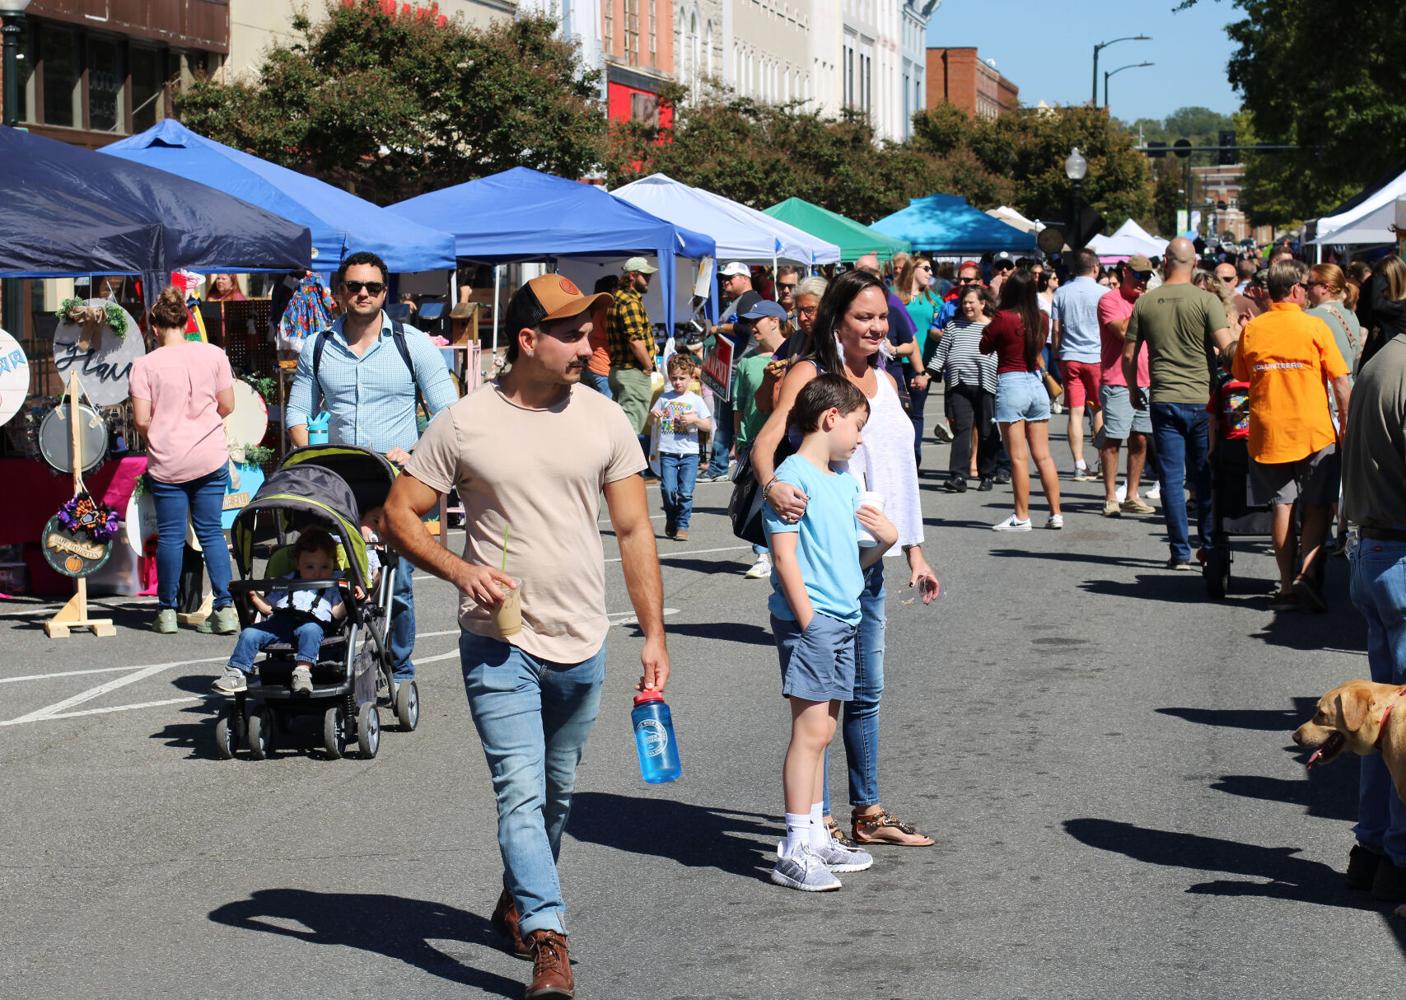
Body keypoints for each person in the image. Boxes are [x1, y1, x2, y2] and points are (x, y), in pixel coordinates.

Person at [382, 273, 668, 1000]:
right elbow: (401, 512)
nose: (587, 345)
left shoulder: (605, 418)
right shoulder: (463, 424)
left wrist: (654, 634)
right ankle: (550, 941)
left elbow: (635, 530)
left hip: (583, 638)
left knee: (556, 796)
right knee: (519, 791)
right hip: (499, 640)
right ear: (528, 340)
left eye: (589, 332)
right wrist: (459, 569)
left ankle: (517, 898)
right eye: (571, 334)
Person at [752, 269, 940, 848]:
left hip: (871, 558)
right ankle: (819, 820)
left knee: (865, 689)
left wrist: (915, 551)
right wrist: (773, 488)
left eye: (882, 316)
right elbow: (766, 443)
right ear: (837, 319)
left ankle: (868, 811)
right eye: (864, 317)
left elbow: (899, 471)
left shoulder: (885, 377)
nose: (877, 327)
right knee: (822, 699)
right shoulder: (813, 373)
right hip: (822, 558)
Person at [285, 250, 457, 684]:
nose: (363, 293)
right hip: (338, 483)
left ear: (384, 292)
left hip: (395, 482)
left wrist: (417, 455)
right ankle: (333, 659)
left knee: (397, 584)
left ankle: (399, 668)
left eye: (373, 287)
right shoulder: (318, 346)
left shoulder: (411, 343)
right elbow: (297, 413)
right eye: (355, 286)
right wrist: (310, 455)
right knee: (336, 573)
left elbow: (448, 412)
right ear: (340, 291)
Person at [765, 374, 893, 891]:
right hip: (815, 622)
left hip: (843, 618)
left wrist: (884, 543)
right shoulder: (792, 477)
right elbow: (784, 557)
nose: (860, 439)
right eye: (857, 427)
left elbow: (847, 563)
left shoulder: (843, 480)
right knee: (810, 733)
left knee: (822, 732)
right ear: (830, 418)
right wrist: (809, 620)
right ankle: (795, 847)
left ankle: (816, 834)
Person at [1232, 259, 1351, 611]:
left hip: (1269, 431)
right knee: (1317, 506)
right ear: (1297, 289)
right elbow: (1340, 382)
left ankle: (1286, 587)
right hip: (1313, 430)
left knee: (1282, 506)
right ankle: (1306, 574)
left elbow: (1241, 374)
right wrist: (1346, 426)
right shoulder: (1314, 326)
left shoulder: (1254, 329)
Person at [1340, 310, 1406, 904]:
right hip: (1397, 553)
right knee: (1396, 724)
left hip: (1375, 548)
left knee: (1378, 720)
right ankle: (1396, 858)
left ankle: (1373, 849)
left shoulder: (1381, 362)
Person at [1122, 237, 1236, 570]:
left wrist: (1133, 388)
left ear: (1165, 261)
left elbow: (1129, 356)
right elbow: (1228, 348)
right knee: (1204, 475)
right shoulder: (1206, 300)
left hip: (1163, 397)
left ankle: (1179, 553)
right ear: (1194, 262)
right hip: (1203, 400)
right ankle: (1209, 547)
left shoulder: (1146, 302)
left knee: (1171, 478)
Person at [129, 287, 237, 635]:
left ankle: (166, 611)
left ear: (155, 327)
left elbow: (141, 419)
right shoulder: (214, 354)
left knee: (171, 536)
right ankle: (225, 609)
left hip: (168, 459)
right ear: (187, 322)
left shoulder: (144, 365)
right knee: (211, 532)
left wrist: (165, 428)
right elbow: (228, 404)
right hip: (208, 455)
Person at [212, 529, 346, 696]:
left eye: (325, 566)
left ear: (333, 563)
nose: (317, 573)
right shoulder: (287, 581)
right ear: (298, 564)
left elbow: (336, 613)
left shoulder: (334, 584)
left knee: (311, 631)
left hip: (313, 622)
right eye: (310, 566)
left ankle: (302, 671)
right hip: (280, 621)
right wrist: (254, 595)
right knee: (249, 633)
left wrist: (349, 602)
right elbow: (268, 608)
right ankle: (236, 672)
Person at [980, 270, 1064, 531]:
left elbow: (984, 346)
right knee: (1044, 456)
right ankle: (1056, 513)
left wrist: (994, 302)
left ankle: (1022, 515)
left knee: (1018, 457)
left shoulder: (1003, 317)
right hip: (1035, 383)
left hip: (1011, 381)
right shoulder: (1041, 318)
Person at [733, 300, 790, 579]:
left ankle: (784, 553)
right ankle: (762, 555)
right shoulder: (746, 361)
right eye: (750, 321)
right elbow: (739, 404)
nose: (752, 326)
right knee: (756, 498)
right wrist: (738, 438)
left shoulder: (793, 354)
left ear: (775, 321)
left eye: (757, 320)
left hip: (786, 441)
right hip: (753, 440)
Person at [1096, 257, 1156, 518]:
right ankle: (1111, 497)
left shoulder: (1147, 301)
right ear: (1125, 272)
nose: (1143, 281)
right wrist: (1143, 306)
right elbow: (1122, 331)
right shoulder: (1109, 300)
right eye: (1139, 275)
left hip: (1146, 380)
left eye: (1147, 277)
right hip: (1118, 380)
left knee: (1140, 439)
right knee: (1113, 439)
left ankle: (1132, 495)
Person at [930, 285, 998, 492]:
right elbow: (941, 353)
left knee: (986, 430)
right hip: (959, 384)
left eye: (971, 302)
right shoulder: (953, 325)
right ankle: (958, 476)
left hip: (986, 384)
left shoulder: (993, 326)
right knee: (962, 429)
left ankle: (987, 473)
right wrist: (927, 374)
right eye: (965, 302)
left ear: (982, 304)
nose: (967, 306)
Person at [704, 262, 763, 481]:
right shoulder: (742, 300)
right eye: (724, 278)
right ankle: (728, 463)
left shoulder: (749, 299)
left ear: (745, 278)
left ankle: (719, 466)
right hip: (732, 366)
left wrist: (718, 328)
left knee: (726, 419)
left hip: (736, 367)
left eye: (731, 278)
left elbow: (746, 329)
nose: (726, 282)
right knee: (731, 418)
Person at [1052, 249, 1107, 480]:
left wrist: (1056, 353)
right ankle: (1103, 460)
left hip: (1070, 356)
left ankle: (1078, 463)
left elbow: (1056, 329)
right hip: (1096, 356)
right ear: (1095, 268)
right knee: (1098, 408)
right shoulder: (1104, 293)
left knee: (1075, 412)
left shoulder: (1061, 292)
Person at [648, 353, 713, 541]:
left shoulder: (696, 400)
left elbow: (708, 425)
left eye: (682, 378)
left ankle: (682, 525)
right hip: (668, 452)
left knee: (685, 492)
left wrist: (695, 420)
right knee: (668, 489)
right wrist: (654, 416)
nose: (677, 382)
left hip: (689, 453)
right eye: (674, 378)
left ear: (691, 377)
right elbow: (651, 421)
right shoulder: (664, 398)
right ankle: (671, 518)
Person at [894, 256, 944, 461]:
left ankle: (914, 458)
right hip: (896, 361)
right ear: (912, 269)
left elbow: (943, 327)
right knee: (897, 412)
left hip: (921, 365)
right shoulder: (894, 297)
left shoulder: (933, 300)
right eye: (926, 268)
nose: (930, 273)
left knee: (916, 411)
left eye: (931, 269)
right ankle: (898, 456)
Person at [606, 256, 659, 435]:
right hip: (632, 372)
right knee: (630, 431)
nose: (649, 279)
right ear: (632, 276)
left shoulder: (617, 297)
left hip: (619, 371)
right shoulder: (630, 302)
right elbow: (634, 339)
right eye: (645, 275)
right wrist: (648, 365)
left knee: (620, 429)